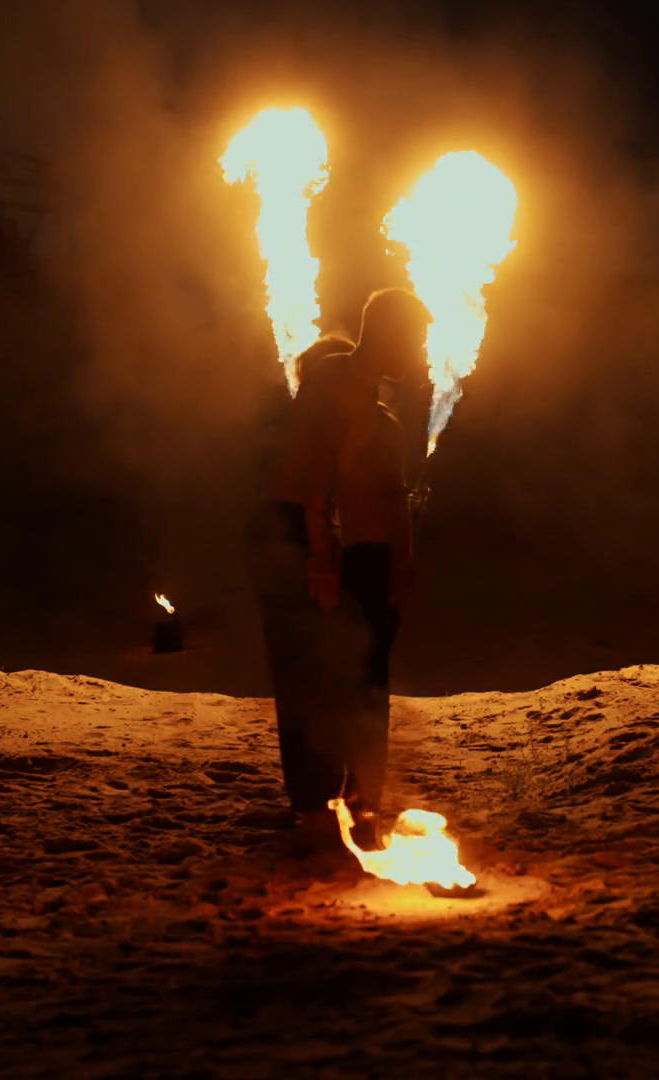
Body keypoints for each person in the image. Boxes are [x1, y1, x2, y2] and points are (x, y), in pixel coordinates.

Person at [245, 289, 431, 858]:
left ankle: (362, 804)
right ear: (389, 333)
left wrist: (401, 567)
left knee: (368, 684)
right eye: (414, 339)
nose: (420, 352)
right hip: (315, 546)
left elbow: (393, 498)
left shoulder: (384, 417)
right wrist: (323, 559)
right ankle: (316, 810)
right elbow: (313, 480)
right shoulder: (330, 392)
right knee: (314, 680)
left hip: (360, 557)